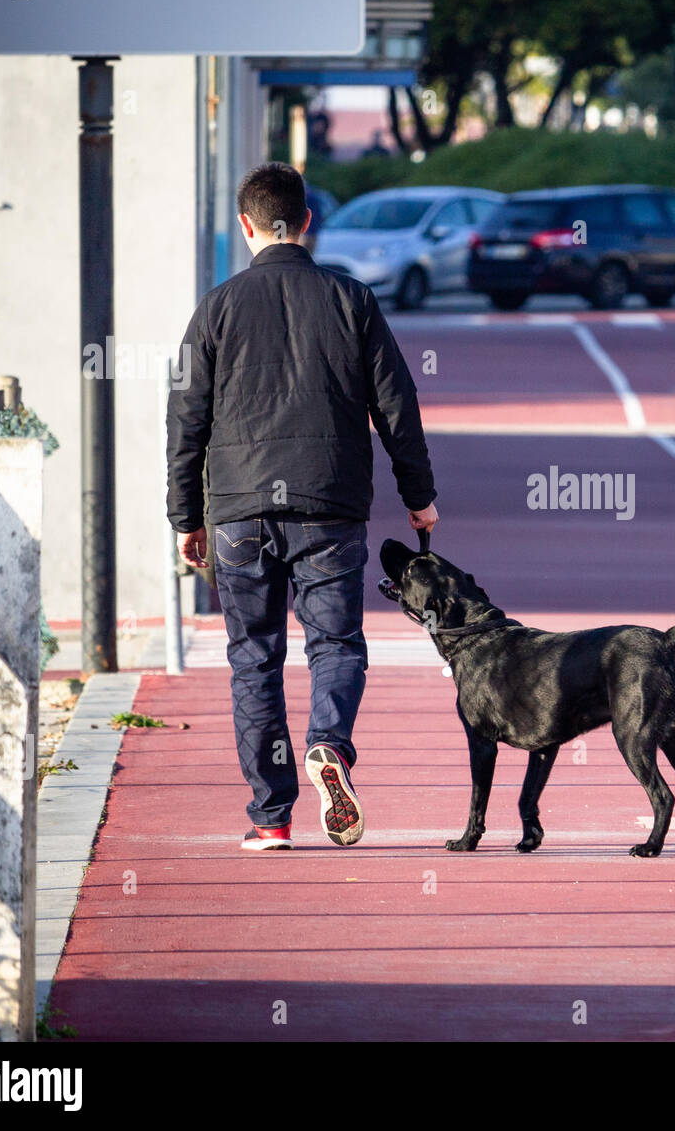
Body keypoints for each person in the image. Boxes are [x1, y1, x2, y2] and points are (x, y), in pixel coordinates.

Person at [167, 162, 439, 852]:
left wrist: (185, 518)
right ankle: (329, 746)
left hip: (238, 509)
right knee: (337, 642)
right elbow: (396, 405)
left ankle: (270, 815)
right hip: (330, 503)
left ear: (246, 226)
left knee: (253, 658)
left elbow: (186, 421)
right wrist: (420, 497)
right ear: (308, 222)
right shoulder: (354, 300)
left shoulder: (216, 308)